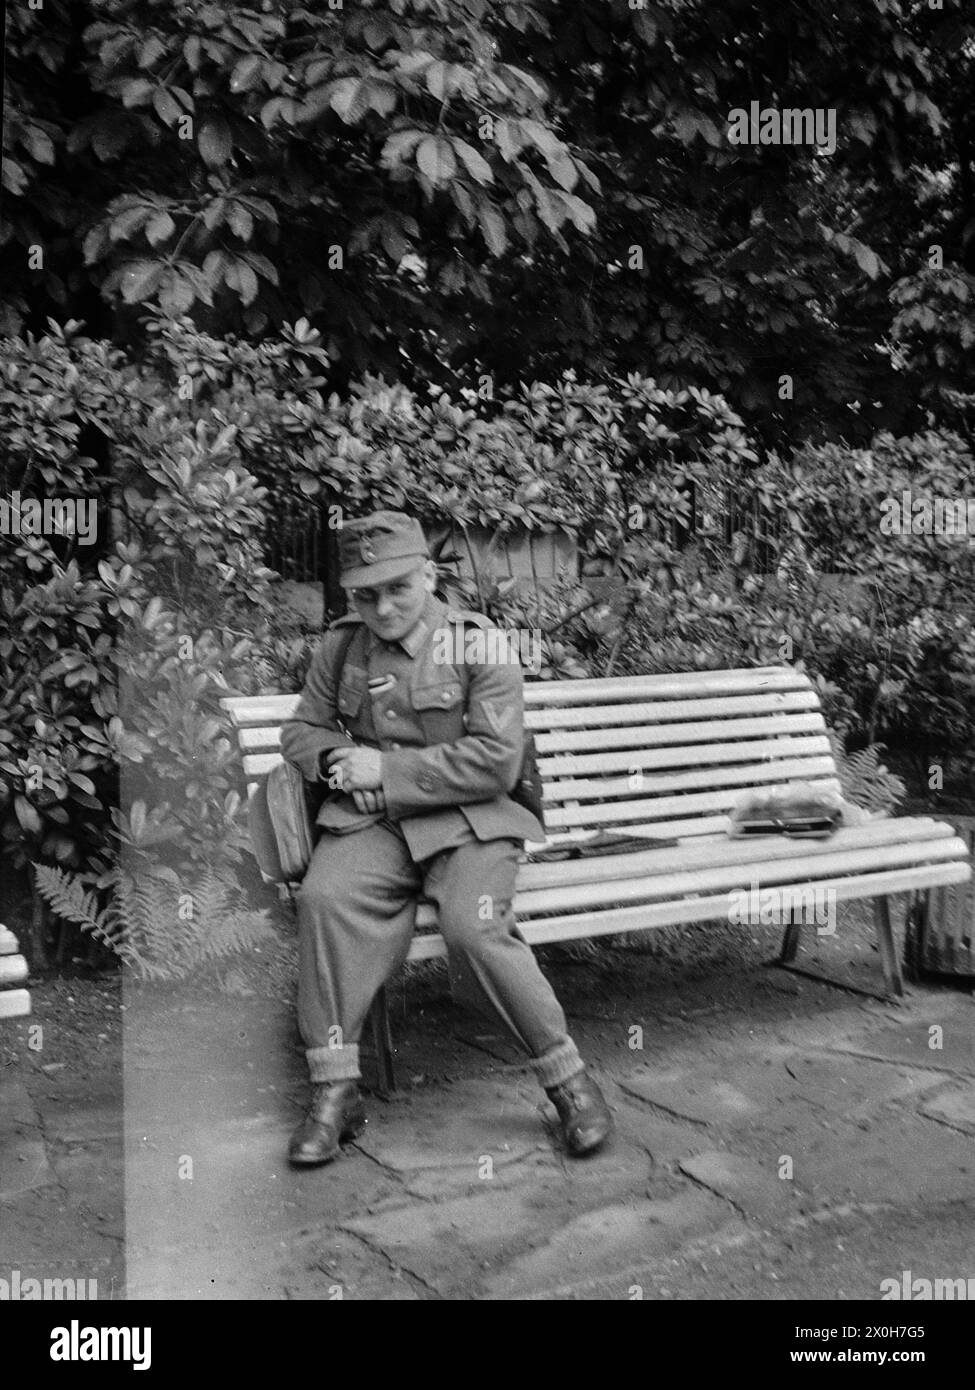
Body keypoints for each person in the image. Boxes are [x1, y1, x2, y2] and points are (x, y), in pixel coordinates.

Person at [280, 510, 613, 1167]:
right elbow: (301, 731)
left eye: (397, 588)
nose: (382, 607)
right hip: (375, 824)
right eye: (365, 594)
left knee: (471, 925)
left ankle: (568, 1082)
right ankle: (335, 1090)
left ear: (428, 574)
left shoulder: (479, 643)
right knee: (325, 898)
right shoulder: (341, 646)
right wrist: (337, 761)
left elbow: (496, 759)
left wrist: (390, 771)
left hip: (471, 823)